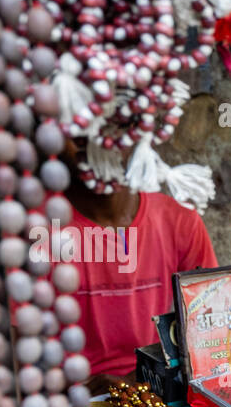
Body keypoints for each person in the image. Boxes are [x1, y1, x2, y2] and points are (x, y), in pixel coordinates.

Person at [58, 140, 218, 391]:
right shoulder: (39, 228)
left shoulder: (179, 221)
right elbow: (18, 350)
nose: (93, 142)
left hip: (156, 389)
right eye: (77, 133)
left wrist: (148, 376)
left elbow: (211, 329)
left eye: (111, 128)